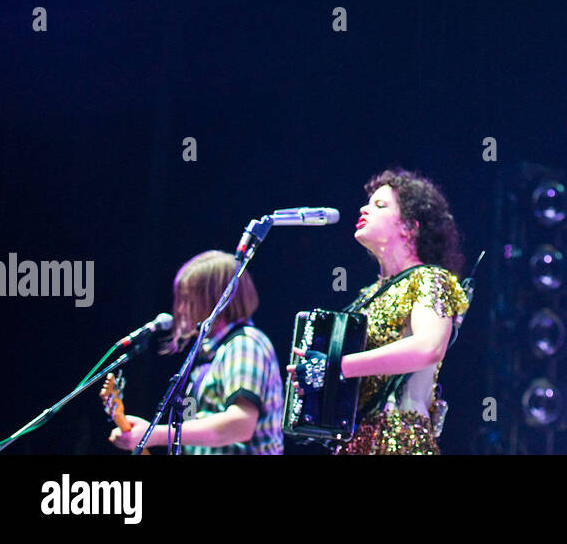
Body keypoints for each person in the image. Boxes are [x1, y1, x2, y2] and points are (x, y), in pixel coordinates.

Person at [294, 168, 468, 455]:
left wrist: (337, 366)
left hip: (400, 442)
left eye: (380, 205)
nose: (364, 208)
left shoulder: (429, 279)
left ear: (409, 228)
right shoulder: (367, 296)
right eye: (368, 203)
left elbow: (429, 347)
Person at [109, 250, 284, 454]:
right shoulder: (211, 353)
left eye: (187, 299)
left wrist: (155, 434)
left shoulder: (244, 344)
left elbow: (241, 424)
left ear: (216, 300)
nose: (181, 310)